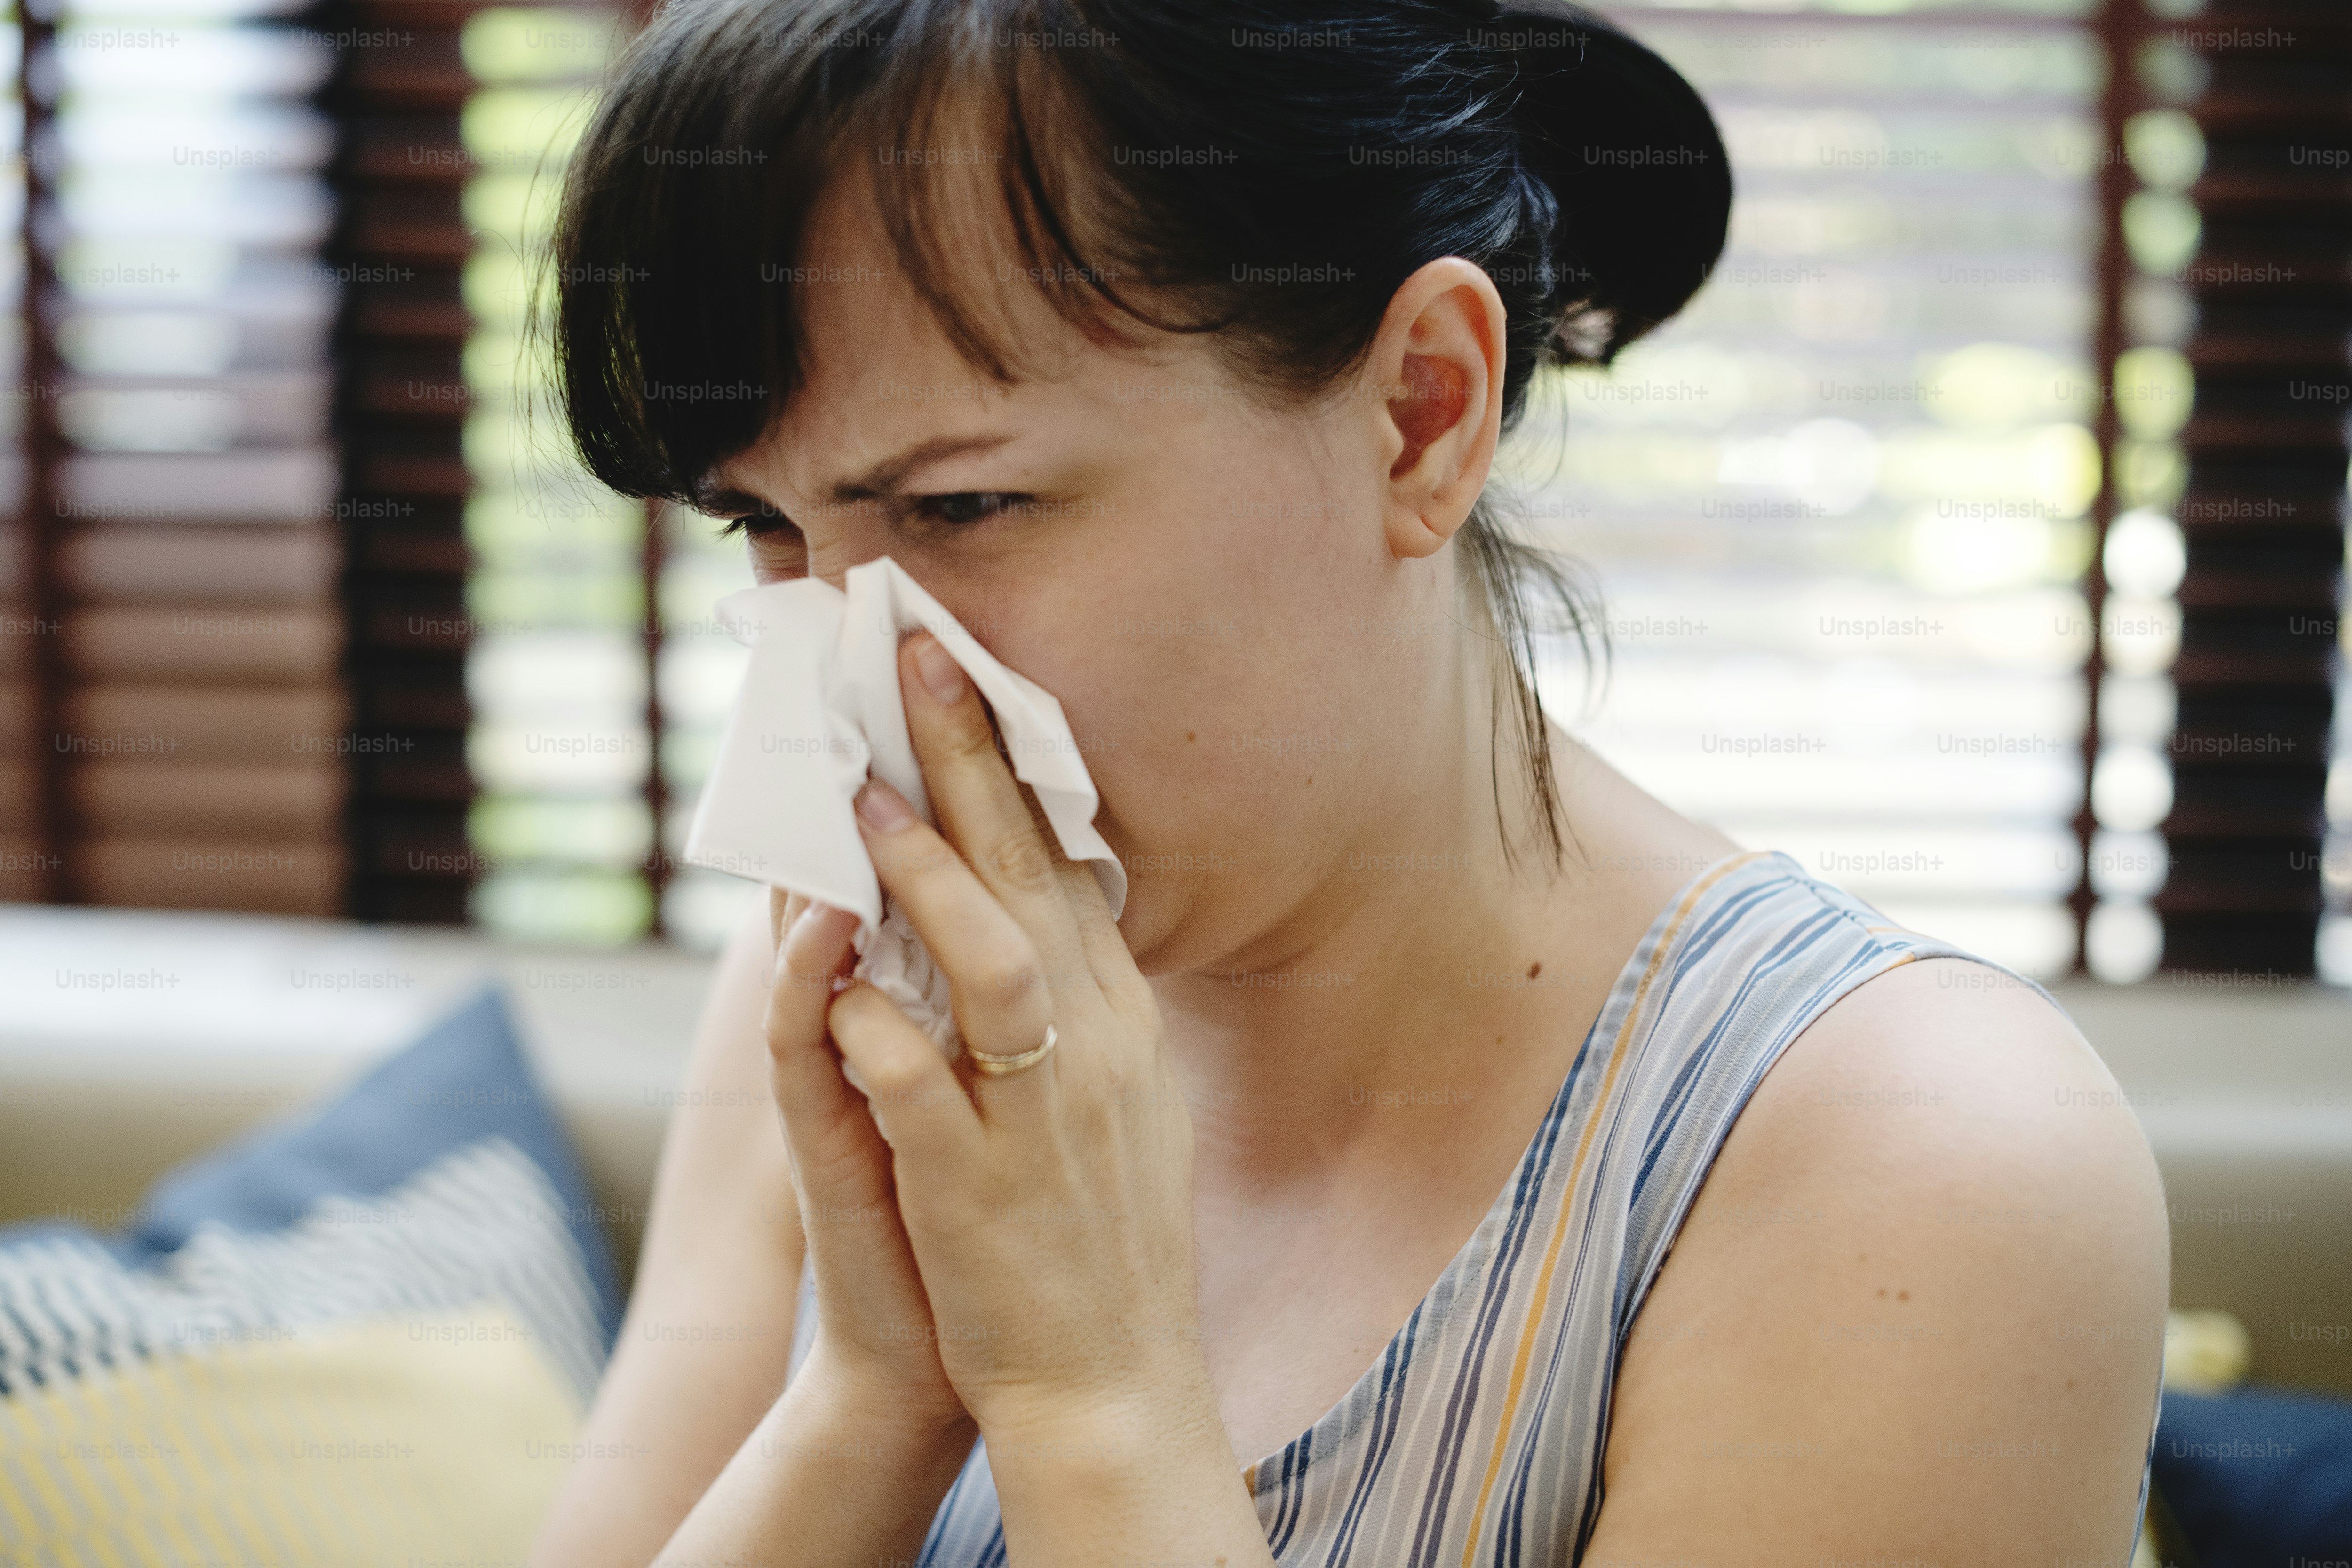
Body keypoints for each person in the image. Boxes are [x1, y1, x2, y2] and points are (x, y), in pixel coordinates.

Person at [524, 2, 2169, 1563]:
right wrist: (878, 1403)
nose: (858, 674)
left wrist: (1094, 1400)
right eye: (769, 528)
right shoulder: (856, 993)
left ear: (1419, 415)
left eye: (965, 510)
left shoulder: (1913, 1164)